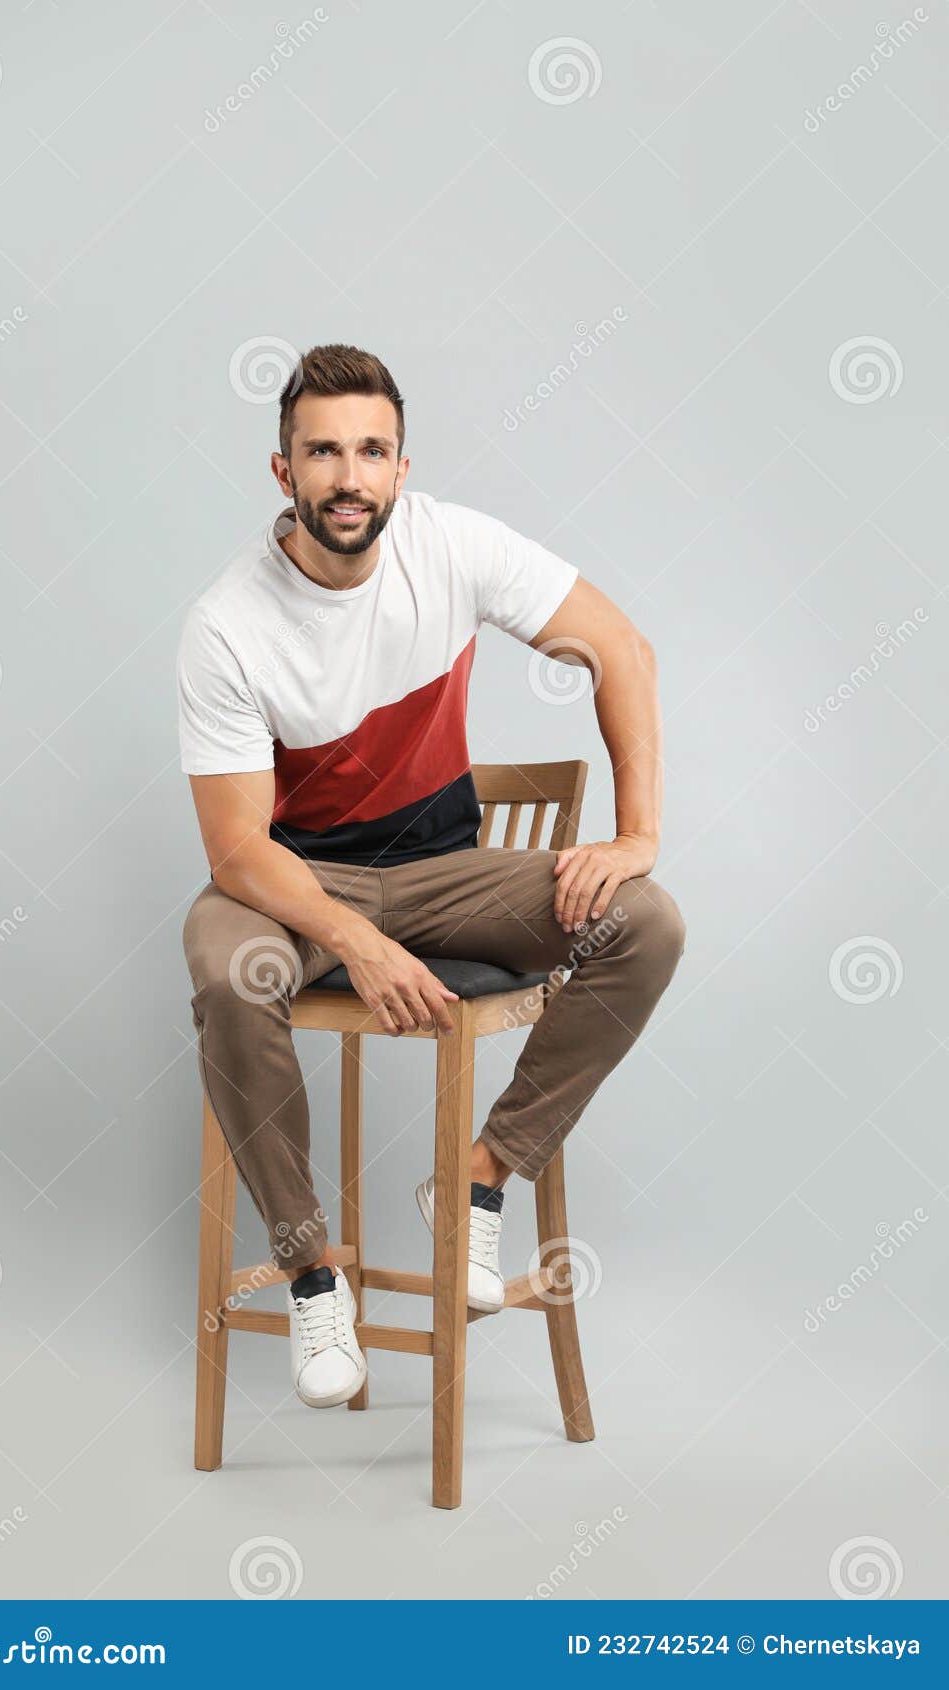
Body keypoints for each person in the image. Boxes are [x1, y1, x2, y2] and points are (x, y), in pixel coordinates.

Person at [177, 343, 686, 1409]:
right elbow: (235, 851)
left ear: (401, 468)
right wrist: (360, 942)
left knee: (643, 922)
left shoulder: (452, 545)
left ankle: (476, 1177)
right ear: (284, 472)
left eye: (371, 450)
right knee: (230, 970)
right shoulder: (226, 622)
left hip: (447, 870)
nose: (348, 475)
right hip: (298, 886)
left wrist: (634, 836)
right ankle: (313, 1272)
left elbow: (620, 650)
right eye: (322, 452)